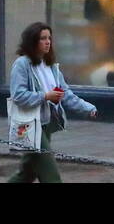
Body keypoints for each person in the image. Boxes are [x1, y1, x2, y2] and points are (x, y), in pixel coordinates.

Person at [7, 22, 97, 183]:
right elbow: (18, 95)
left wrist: (87, 108)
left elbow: (66, 94)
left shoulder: (51, 66)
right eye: (43, 38)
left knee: (26, 174)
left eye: (49, 38)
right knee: (51, 175)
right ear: (32, 41)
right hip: (29, 125)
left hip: (46, 124)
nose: (48, 42)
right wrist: (45, 96)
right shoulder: (22, 64)